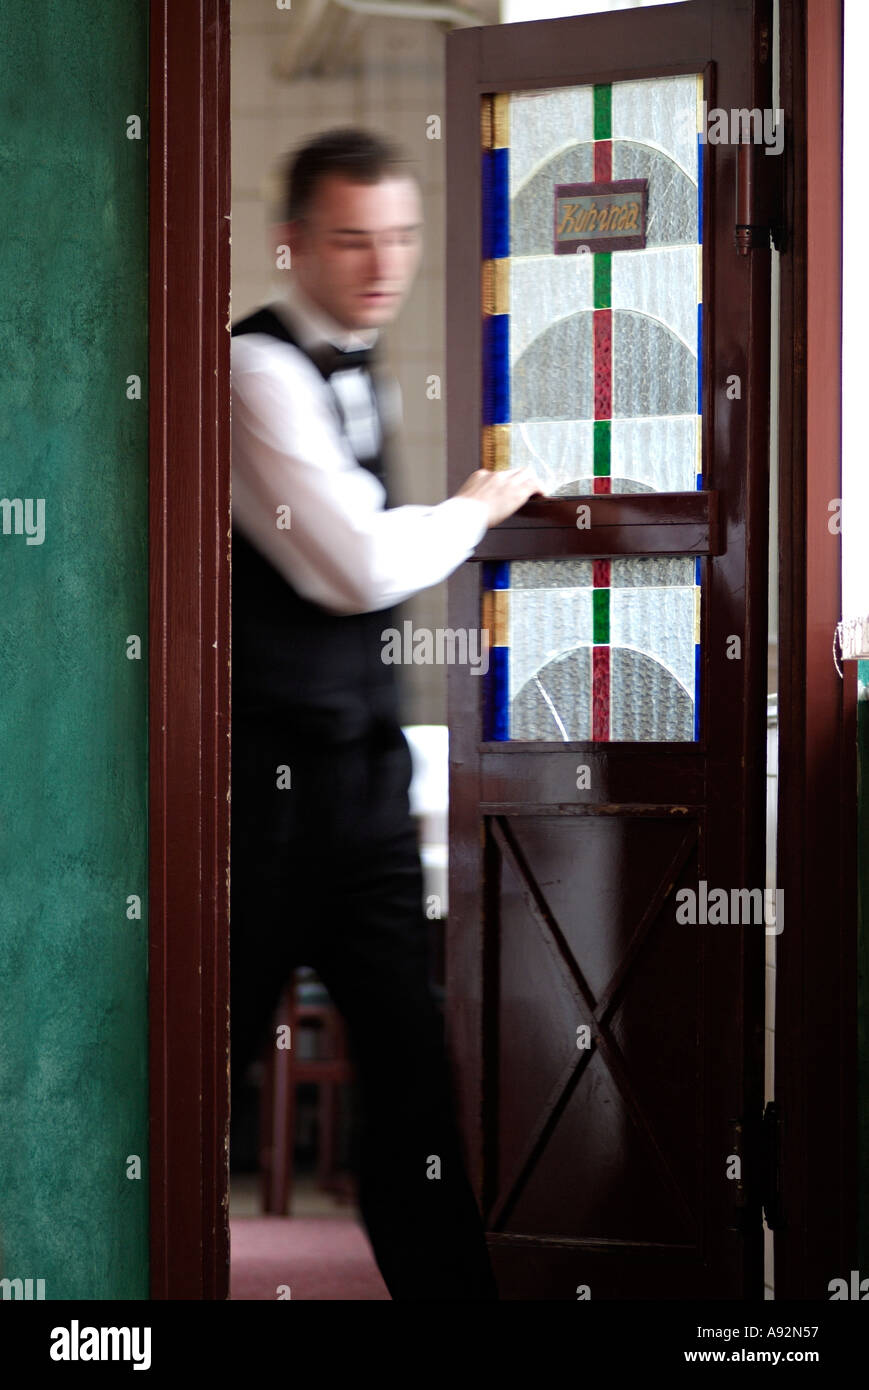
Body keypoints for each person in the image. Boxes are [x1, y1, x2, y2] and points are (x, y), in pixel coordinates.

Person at [229, 127, 544, 1301]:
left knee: (413, 1080)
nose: (381, 264)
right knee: (200, 1068)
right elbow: (351, 567)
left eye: (401, 237)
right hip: (254, 797)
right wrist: (472, 504)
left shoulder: (350, 365)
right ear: (292, 241)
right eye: (353, 238)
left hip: (357, 798)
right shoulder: (253, 370)